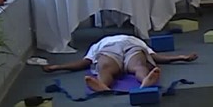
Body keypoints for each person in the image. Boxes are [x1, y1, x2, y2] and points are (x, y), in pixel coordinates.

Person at [41, 34, 198, 92]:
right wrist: (58, 67)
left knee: (139, 66)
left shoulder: (136, 40)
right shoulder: (99, 43)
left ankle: (146, 81)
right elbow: (84, 62)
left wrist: (181, 57)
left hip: (134, 46)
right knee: (105, 67)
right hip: (109, 49)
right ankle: (102, 85)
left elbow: (156, 57)